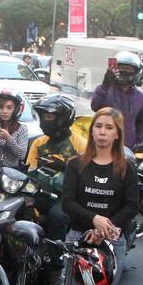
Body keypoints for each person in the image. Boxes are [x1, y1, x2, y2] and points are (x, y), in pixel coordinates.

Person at [61, 109, 138, 285]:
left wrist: (108, 226)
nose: (102, 132)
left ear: (117, 134)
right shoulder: (76, 165)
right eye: (98, 127)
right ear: (92, 130)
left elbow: (131, 205)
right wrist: (94, 220)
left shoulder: (126, 168)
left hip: (112, 242)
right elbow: (68, 203)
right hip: (78, 239)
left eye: (108, 128)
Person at [27, 94, 86, 238]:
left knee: (57, 216)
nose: (44, 121)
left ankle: (56, 257)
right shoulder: (38, 143)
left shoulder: (81, 144)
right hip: (41, 192)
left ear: (63, 118)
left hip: (68, 196)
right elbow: (29, 172)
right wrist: (28, 200)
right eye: (42, 117)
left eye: (49, 117)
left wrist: (65, 165)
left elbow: (86, 176)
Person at [90, 51, 143, 151]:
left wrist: (137, 141)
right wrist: (105, 85)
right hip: (104, 147)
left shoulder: (139, 97)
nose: (124, 71)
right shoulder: (104, 90)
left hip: (127, 149)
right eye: (121, 68)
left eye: (128, 69)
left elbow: (141, 121)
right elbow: (95, 106)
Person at [0, 91, 30, 168]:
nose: (4, 111)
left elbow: (22, 155)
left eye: (9, 108)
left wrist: (8, 138)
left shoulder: (22, 129)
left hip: (10, 172)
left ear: (16, 109)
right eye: (1, 107)